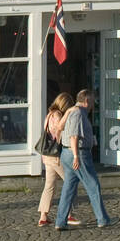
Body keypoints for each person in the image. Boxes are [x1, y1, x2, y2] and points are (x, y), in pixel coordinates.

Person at [55, 88, 112, 230]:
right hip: (78, 154)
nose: (94, 104)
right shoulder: (79, 114)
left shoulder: (73, 112)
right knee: (93, 185)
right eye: (92, 101)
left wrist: (67, 112)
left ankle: (60, 222)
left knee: (68, 188)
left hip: (67, 153)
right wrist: (76, 156)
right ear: (86, 101)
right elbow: (74, 135)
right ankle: (102, 219)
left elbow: (59, 127)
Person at [37, 93, 81, 226]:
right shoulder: (58, 115)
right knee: (71, 182)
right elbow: (60, 131)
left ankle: (43, 216)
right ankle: (68, 214)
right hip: (56, 156)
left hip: (47, 156)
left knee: (49, 186)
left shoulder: (49, 114)